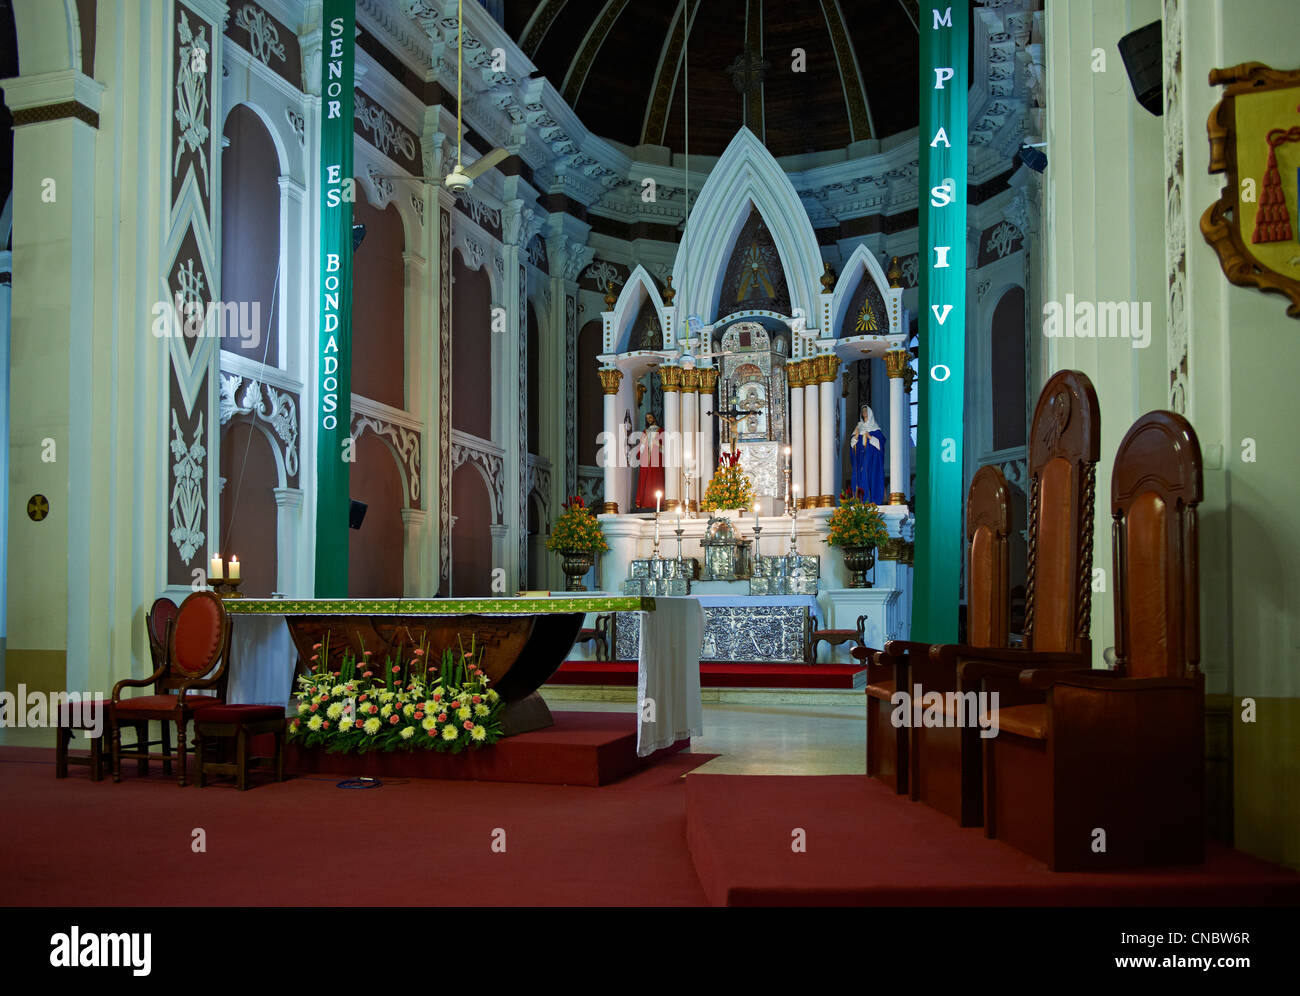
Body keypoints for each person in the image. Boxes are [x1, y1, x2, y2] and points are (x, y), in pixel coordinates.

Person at [849, 404, 886, 504]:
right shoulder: (858, 426)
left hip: (871, 460)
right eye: (863, 411)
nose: (864, 413)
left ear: (870, 413)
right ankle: (860, 502)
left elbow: (880, 444)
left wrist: (870, 437)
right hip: (860, 459)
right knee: (860, 478)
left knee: (870, 478)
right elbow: (852, 445)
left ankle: (871, 501)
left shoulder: (875, 428)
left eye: (866, 411)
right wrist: (856, 436)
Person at [635, 412, 665, 510]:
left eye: (650, 417)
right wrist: (643, 445)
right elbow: (641, 447)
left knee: (655, 480)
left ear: (654, 418)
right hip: (646, 460)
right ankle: (644, 502)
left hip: (657, 459)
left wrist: (657, 444)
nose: (649, 419)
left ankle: (656, 503)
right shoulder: (645, 431)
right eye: (647, 418)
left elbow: (665, 449)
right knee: (645, 480)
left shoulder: (661, 431)